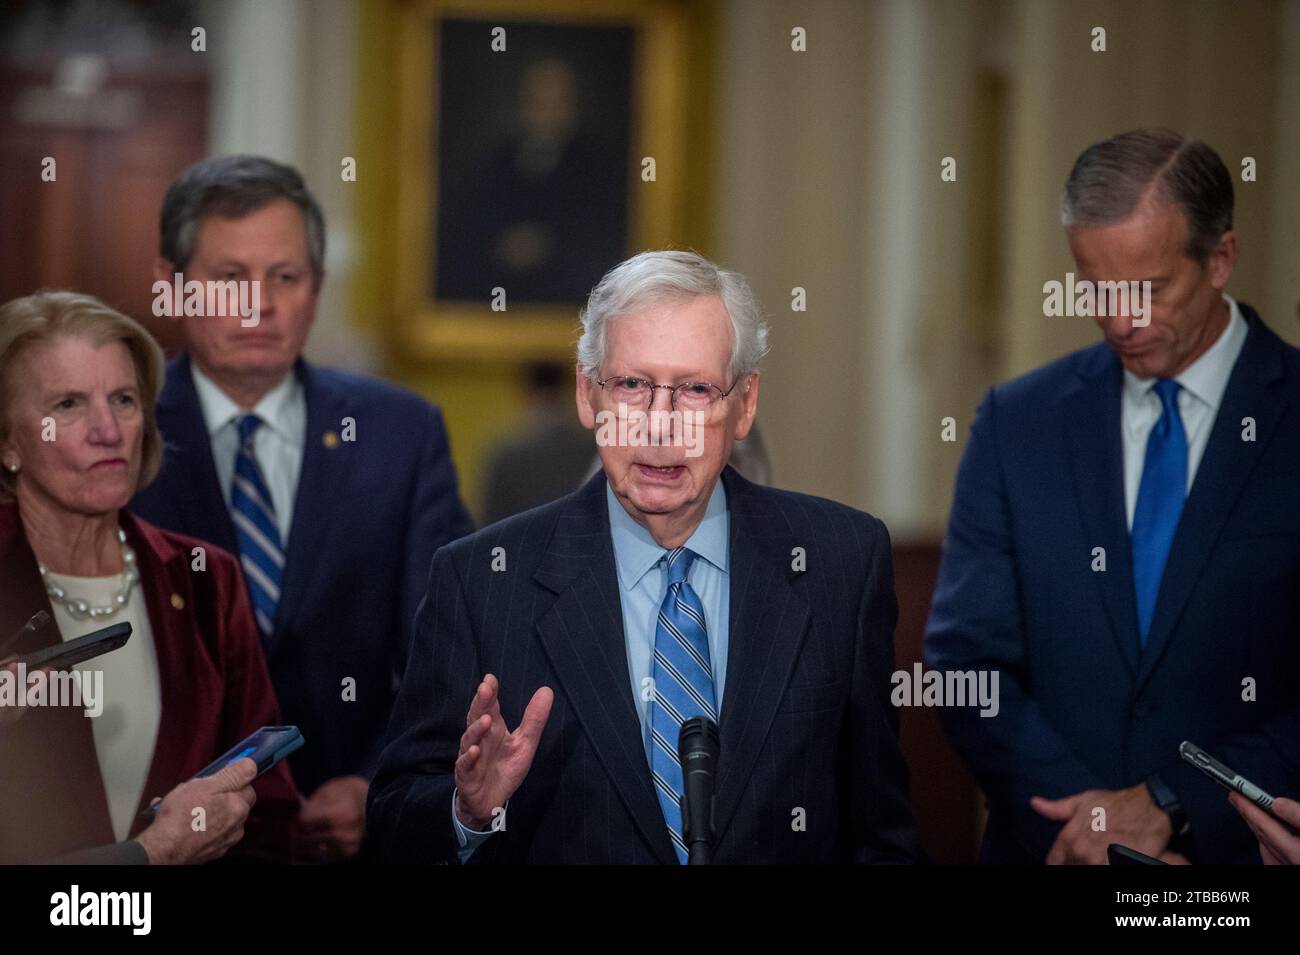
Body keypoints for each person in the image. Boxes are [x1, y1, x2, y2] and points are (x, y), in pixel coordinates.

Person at [368, 250, 922, 864]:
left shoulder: (840, 562)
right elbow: (392, 823)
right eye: (632, 385)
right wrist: (468, 811)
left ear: (745, 404)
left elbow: (879, 835)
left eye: (694, 390)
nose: (661, 425)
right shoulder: (479, 580)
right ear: (587, 396)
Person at [925, 129, 1300, 864]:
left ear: (1220, 258)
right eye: (1097, 288)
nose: (1122, 319)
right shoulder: (1018, 422)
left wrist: (1173, 804)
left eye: (1152, 288)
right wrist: (1091, 826)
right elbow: (967, 661)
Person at [130, 156, 474, 862]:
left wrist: (380, 783)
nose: (260, 303)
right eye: (230, 279)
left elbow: (449, 651)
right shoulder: (117, 436)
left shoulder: (399, 434)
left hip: (349, 841)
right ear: (171, 288)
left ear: (315, 291)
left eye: (284, 277)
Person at [0, 291, 298, 864]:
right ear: (9, 441)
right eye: (67, 404)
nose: (108, 429)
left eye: (124, 399)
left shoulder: (208, 578)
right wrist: (151, 856)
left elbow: (270, 813)